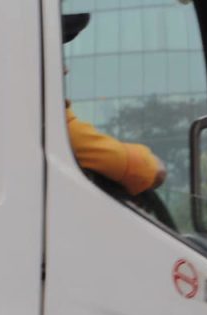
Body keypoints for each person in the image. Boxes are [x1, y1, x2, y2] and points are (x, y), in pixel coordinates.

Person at [62, 14, 167, 196]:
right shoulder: (54, 125)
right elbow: (149, 171)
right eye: (54, 57)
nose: (65, 69)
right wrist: (152, 165)